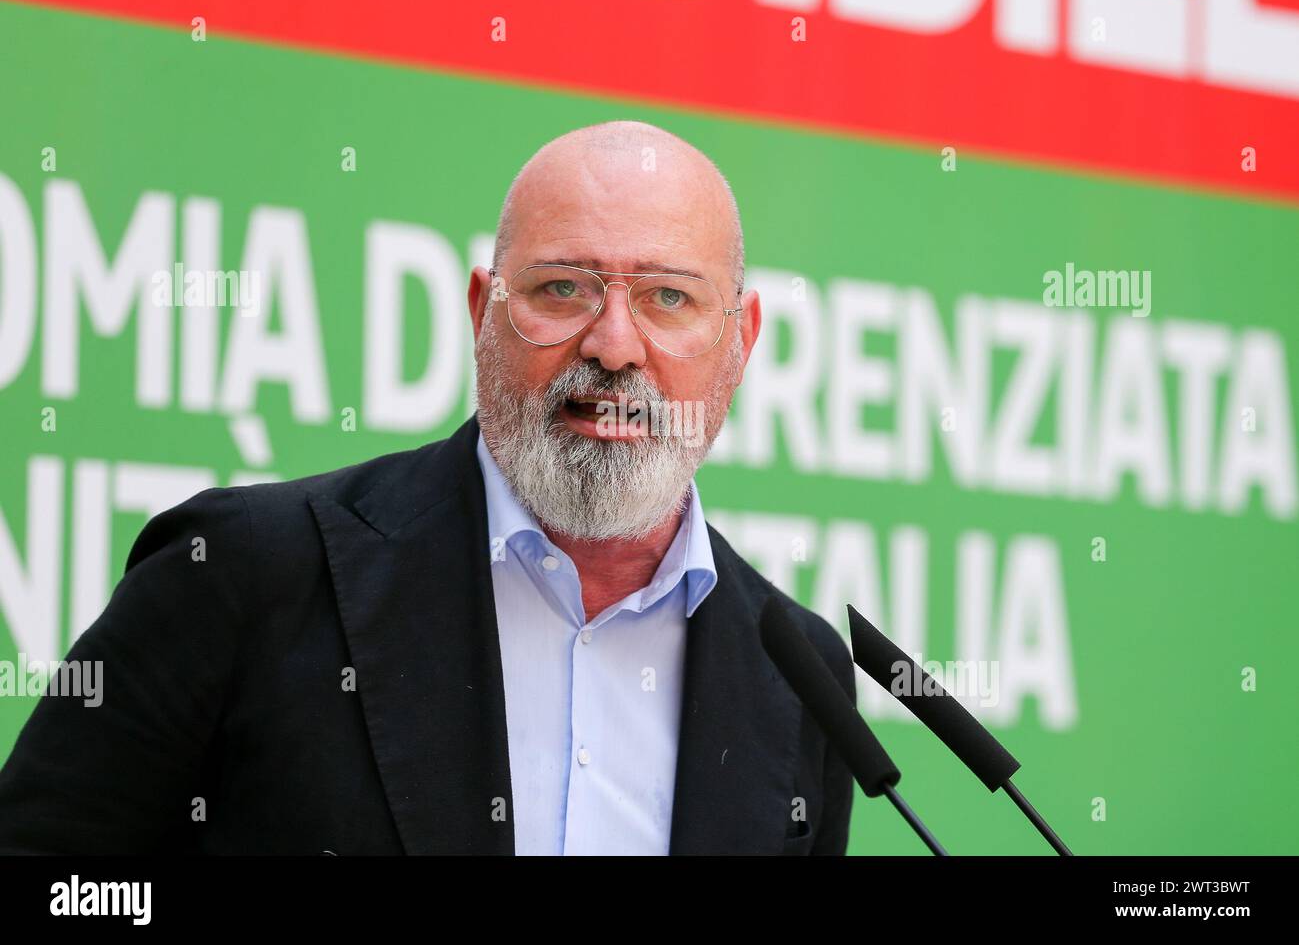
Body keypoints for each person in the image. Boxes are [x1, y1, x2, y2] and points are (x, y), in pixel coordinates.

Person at [0, 120, 855, 855]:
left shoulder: (799, 671)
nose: (615, 345)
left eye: (669, 298)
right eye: (564, 288)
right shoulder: (242, 571)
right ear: (483, 311)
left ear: (739, 342)